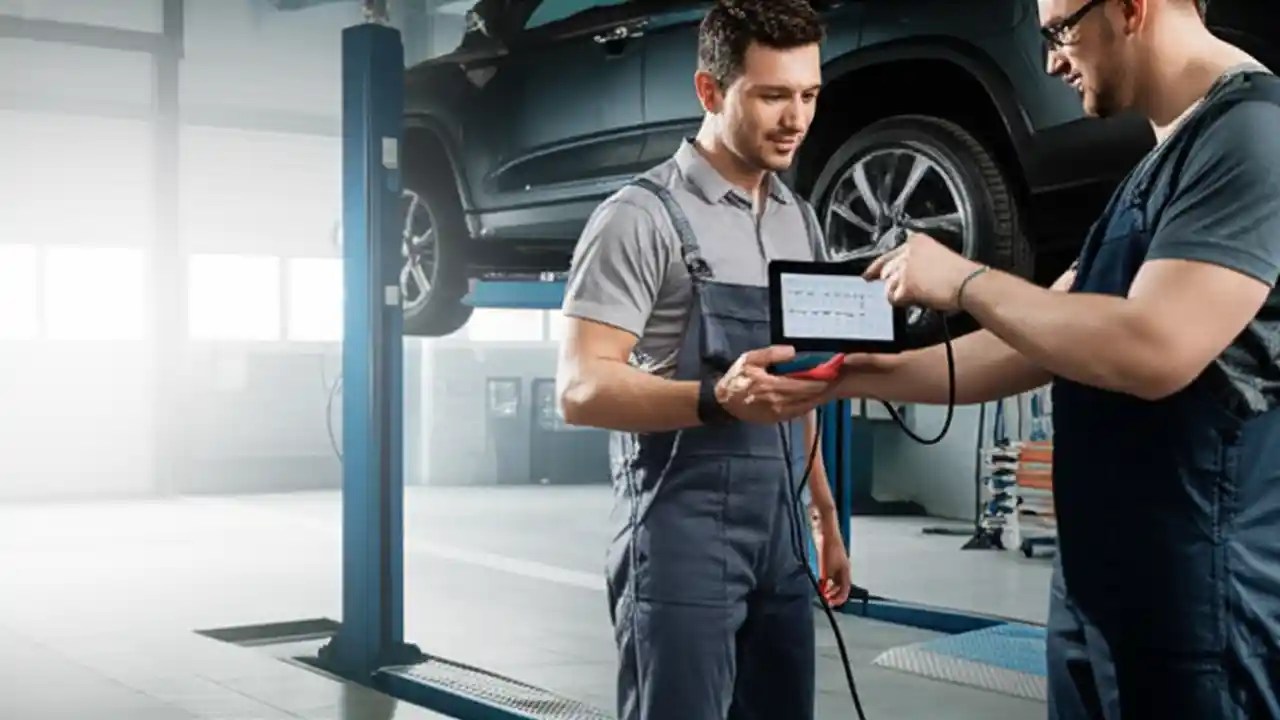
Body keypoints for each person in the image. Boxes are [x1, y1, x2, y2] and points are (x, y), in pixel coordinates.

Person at [727, 0, 1280, 716]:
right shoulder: (1160, 165)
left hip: (1199, 595)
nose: (1051, 59)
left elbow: (1156, 346)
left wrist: (963, 279)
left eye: (1058, 31)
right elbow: (1035, 340)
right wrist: (851, 377)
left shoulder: (1250, 136)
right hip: (1105, 587)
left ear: (1130, 8)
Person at [553, 2, 851, 718]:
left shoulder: (798, 219)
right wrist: (715, 399)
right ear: (711, 92)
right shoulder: (640, 217)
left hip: (781, 540)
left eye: (809, 95)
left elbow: (795, 386)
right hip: (679, 532)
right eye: (773, 95)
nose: (797, 118)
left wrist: (825, 517)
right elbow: (580, 386)